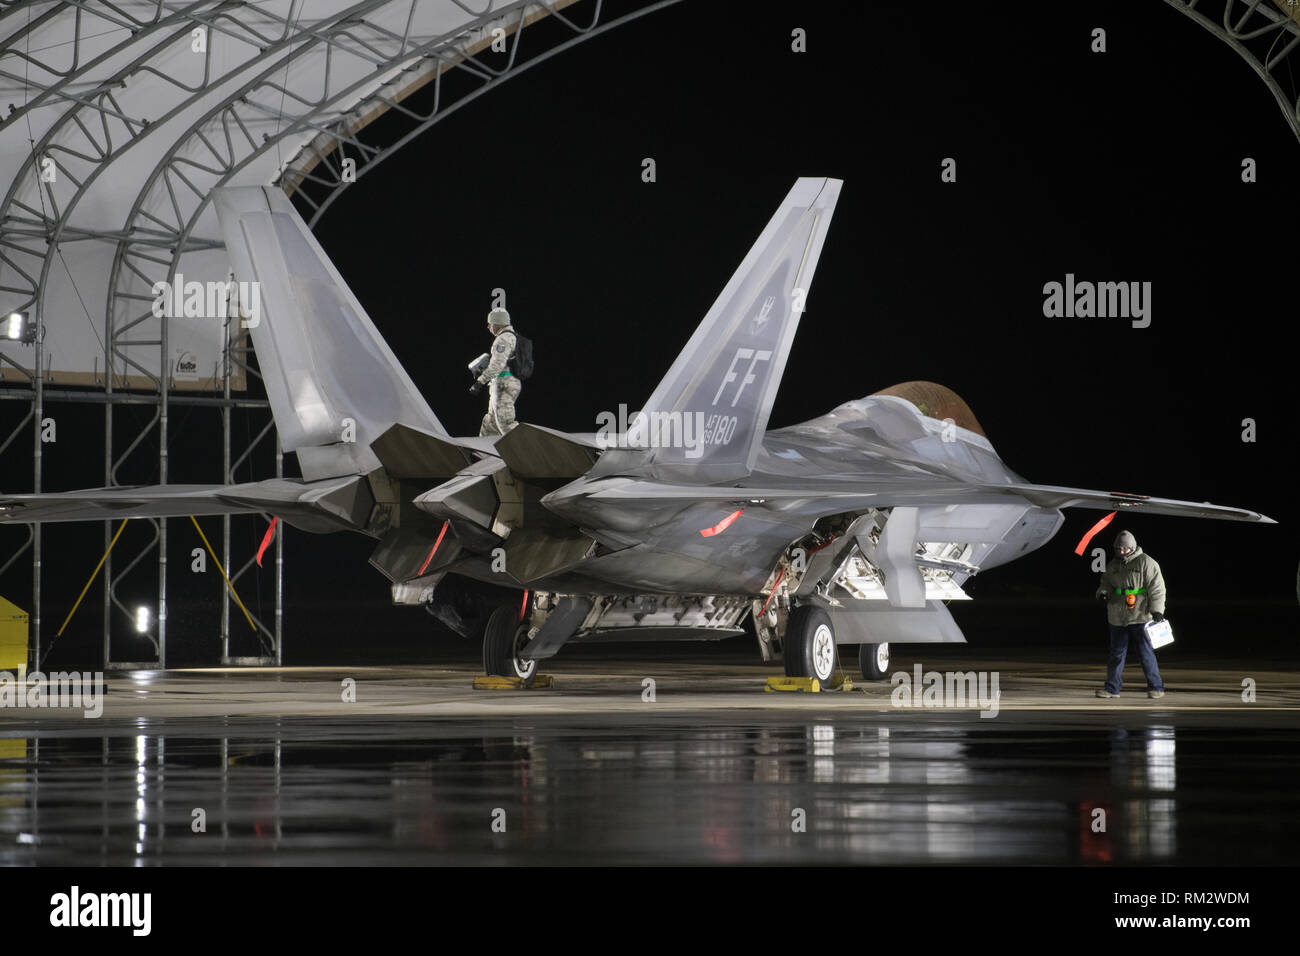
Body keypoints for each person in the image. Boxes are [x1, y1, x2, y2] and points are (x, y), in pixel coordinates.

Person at [1094, 530, 1167, 699]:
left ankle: (1156, 687)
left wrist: (1157, 611)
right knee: (1116, 655)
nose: (1121, 551)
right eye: (1118, 548)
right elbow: (1105, 583)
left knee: (1145, 653)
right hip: (1117, 616)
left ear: (1132, 547)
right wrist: (1103, 593)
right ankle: (1112, 689)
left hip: (1140, 615)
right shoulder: (1112, 565)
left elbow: (1157, 588)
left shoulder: (1146, 562)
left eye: (1124, 548)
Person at [471, 308, 521, 436]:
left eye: (491, 323)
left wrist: (480, 381)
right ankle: (483, 451)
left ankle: (531, 451)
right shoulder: (511, 337)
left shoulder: (503, 339)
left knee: (505, 424)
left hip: (503, 383)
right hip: (503, 382)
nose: (488, 326)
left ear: (499, 323)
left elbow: (497, 365)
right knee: (491, 424)